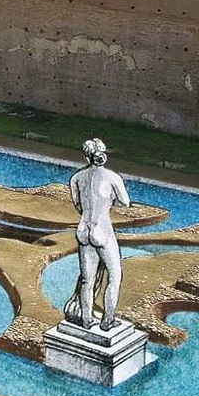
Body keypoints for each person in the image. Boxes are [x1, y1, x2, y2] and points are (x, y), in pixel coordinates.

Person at [64, 138, 131, 329]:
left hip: (84, 230)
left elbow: (77, 203)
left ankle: (87, 319)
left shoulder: (76, 178)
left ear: (86, 156)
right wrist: (109, 201)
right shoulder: (112, 177)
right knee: (115, 275)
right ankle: (108, 319)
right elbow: (125, 202)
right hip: (102, 229)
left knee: (87, 279)